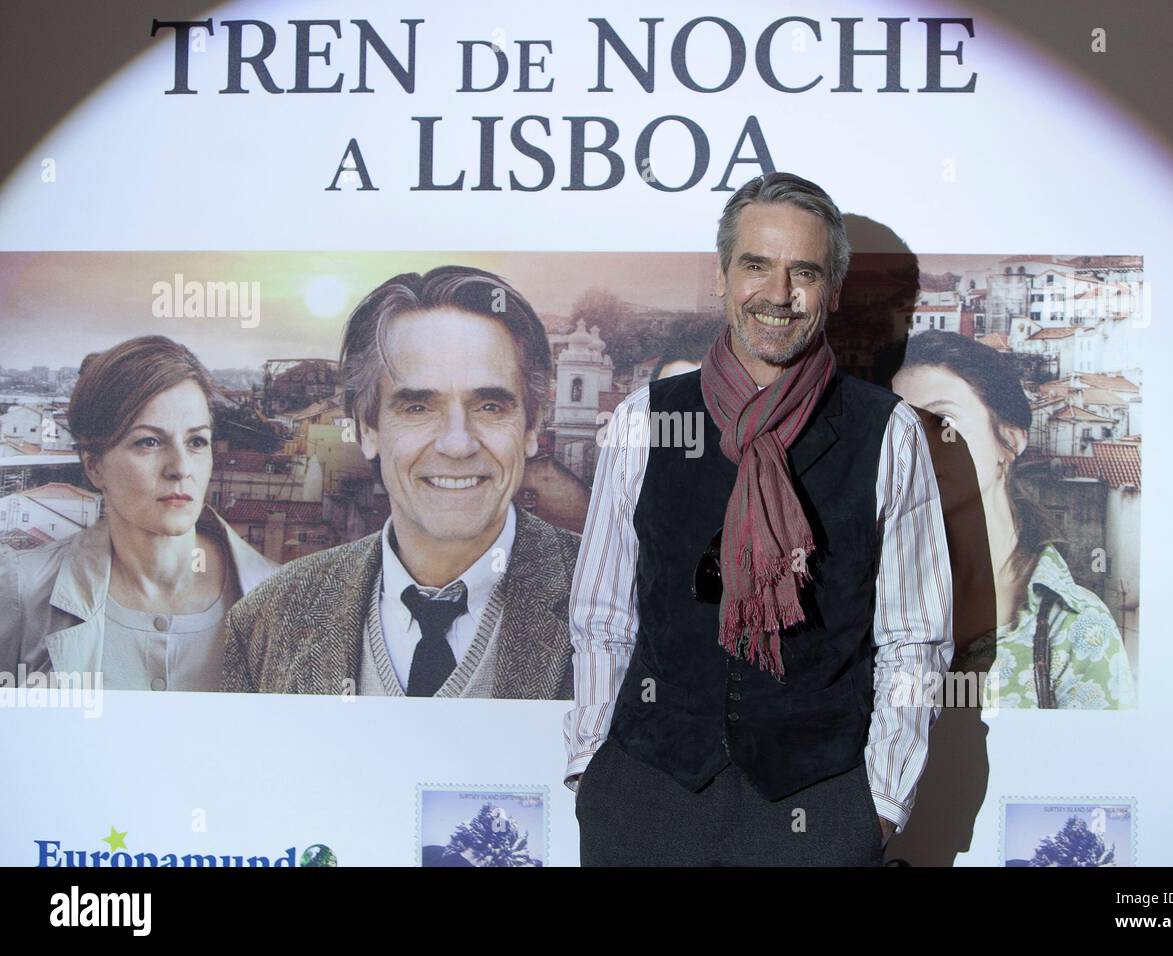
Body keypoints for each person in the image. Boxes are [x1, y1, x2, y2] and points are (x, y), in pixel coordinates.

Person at [564, 173, 954, 866]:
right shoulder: (643, 419)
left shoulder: (886, 433)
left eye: (803, 272)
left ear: (832, 290)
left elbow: (915, 639)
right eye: (756, 266)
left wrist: (881, 804)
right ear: (721, 277)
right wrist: (592, 767)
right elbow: (602, 617)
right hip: (645, 797)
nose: (778, 295)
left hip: (819, 807)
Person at [224, 266, 580, 699]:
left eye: (489, 406)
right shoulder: (267, 620)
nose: (457, 443)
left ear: (531, 428)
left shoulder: (625, 606)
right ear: (367, 429)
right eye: (417, 408)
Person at [0, 335, 277, 691]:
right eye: (149, 441)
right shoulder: (23, 593)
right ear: (95, 466)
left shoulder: (278, 595)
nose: (180, 468)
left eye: (196, 442)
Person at [891, 329, 1137, 709]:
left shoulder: (1075, 628)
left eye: (943, 420)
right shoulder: (869, 604)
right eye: (897, 429)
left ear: (1009, 440)